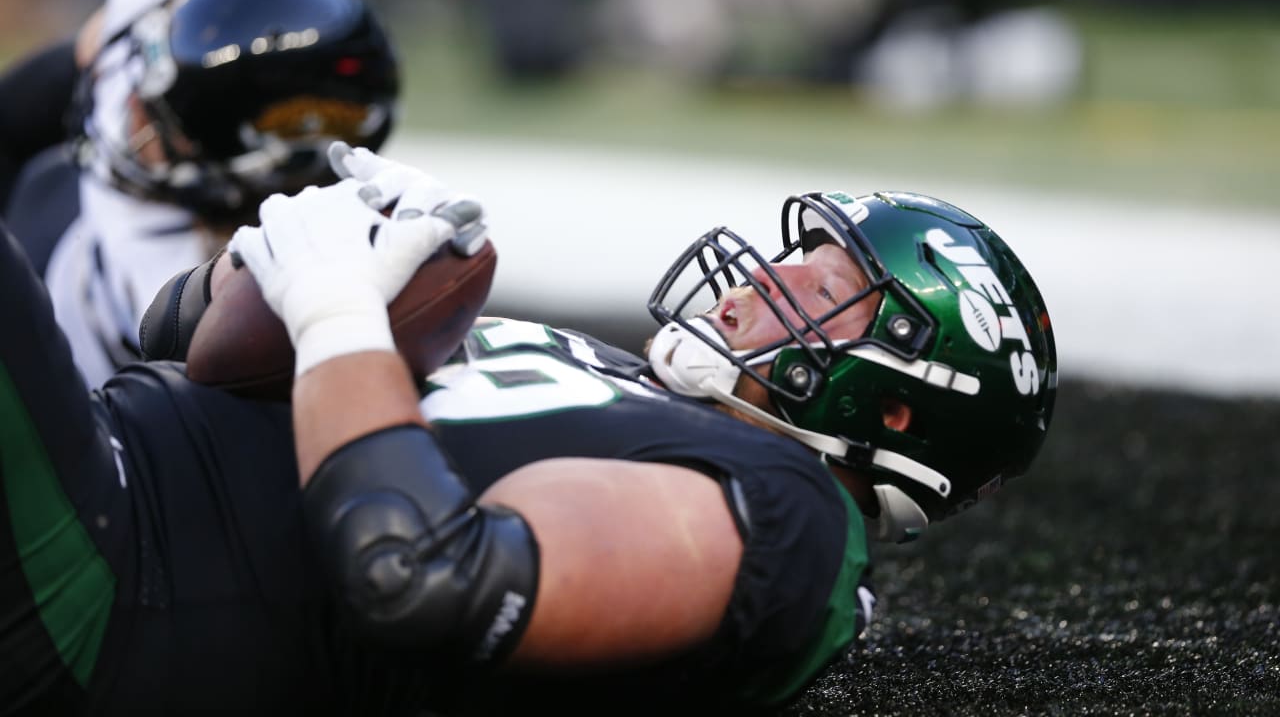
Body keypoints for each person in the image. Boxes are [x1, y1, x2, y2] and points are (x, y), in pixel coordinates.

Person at [0, 144, 1056, 715]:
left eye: (819, 290)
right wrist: (297, 255)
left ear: (893, 407)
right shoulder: (624, 381)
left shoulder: (790, 525)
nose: (762, 281)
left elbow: (422, 573)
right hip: (101, 476)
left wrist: (338, 313)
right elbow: (181, 344)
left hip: (115, 590)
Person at [1, 0, 399, 389]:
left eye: (157, 122)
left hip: (68, 343)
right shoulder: (153, 60)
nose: (129, 110)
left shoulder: (169, 282)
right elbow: (98, 40)